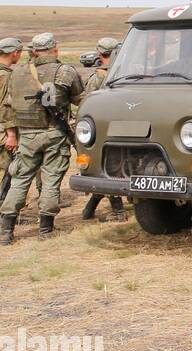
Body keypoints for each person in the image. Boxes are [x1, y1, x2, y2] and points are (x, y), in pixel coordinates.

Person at [0, 33, 85, 244]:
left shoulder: (17, 73)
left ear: (34, 51)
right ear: (55, 49)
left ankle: (6, 231)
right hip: (55, 133)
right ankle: (45, 230)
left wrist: (12, 133)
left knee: (19, 180)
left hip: (27, 135)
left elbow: (7, 107)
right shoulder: (64, 71)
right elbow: (79, 99)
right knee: (51, 181)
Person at [79, 36, 127, 222]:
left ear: (99, 53)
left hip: (103, 130)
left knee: (105, 169)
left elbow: (88, 105)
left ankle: (117, 211)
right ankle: (90, 209)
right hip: (128, 127)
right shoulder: (130, 72)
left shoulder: (98, 77)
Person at [0, 37, 22, 206]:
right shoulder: (7, 76)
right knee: (10, 172)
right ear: (14, 53)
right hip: (3, 131)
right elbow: (6, 107)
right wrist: (11, 135)